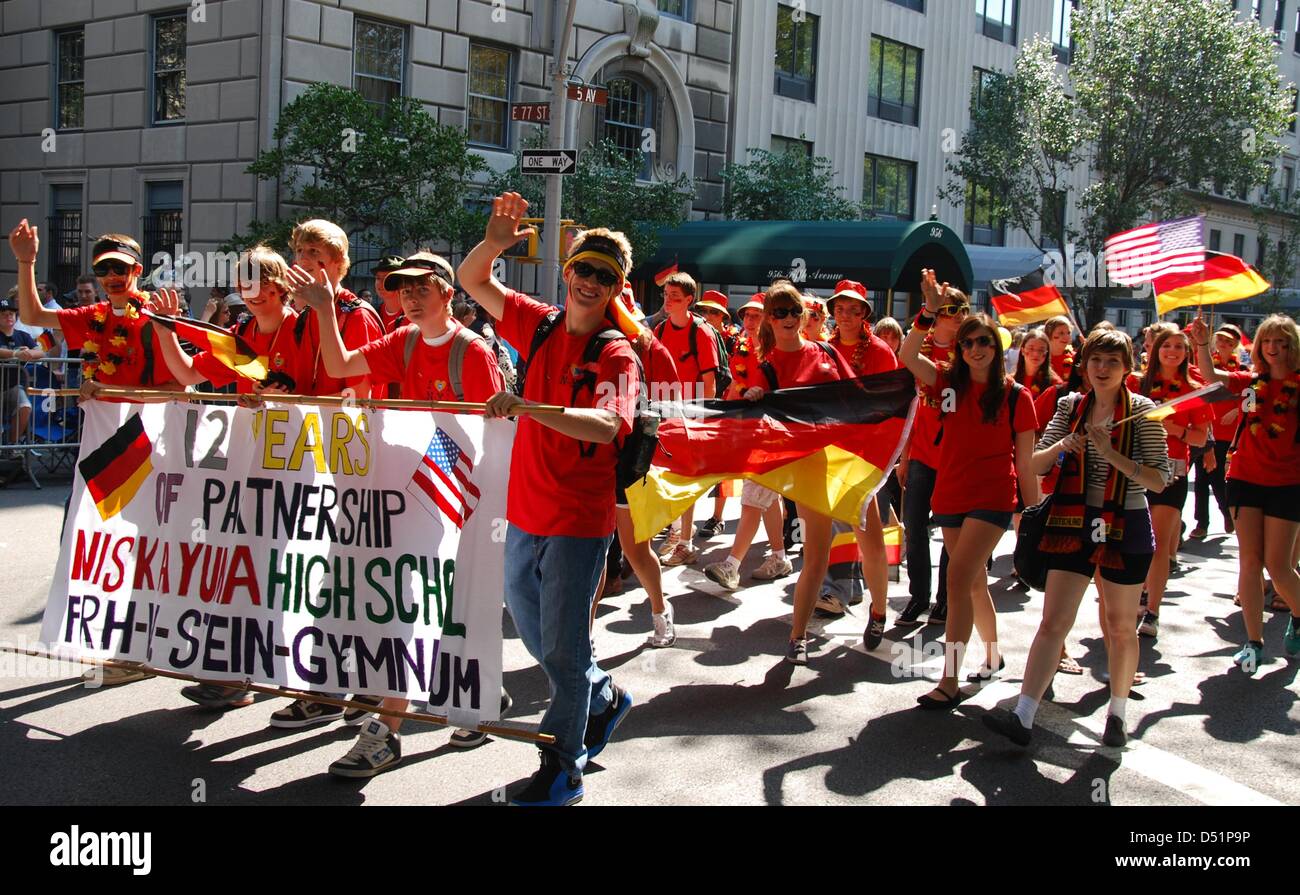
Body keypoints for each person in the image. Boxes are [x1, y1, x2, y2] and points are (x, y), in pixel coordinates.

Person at [459, 191, 638, 806]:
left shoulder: (617, 352)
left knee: (562, 649)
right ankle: (602, 694)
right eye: (584, 269)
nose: (590, 282)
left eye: (604, 277)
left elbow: (607, 426)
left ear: (616, 288)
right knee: (541, 636)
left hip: (580, 520)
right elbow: (471, 278)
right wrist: (496, 242)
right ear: (568, 271)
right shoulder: (536, 323)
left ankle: (564, 766)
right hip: (526, 509)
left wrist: (531, 407)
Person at [8, 224, 182, 686]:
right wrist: (27, 261)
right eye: (103, 269)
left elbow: (179, 387)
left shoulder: (155, 319)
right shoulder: (92, 314)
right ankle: (122, 644)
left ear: (138, 272)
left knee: (141, 546)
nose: (111, 276)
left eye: (119, 269)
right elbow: (34, 314)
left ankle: (136, 650)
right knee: (91, 541)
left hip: (145, 447)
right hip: (101, 447)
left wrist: (115, 391)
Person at [983, 328, 1171, 748]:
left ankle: (1118, 714)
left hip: (1127, 527)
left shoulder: (1143, 412)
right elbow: (1033, 464)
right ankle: (1024, 715)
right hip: (1071, 524)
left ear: (1127, 368)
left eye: (1112, 362)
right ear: (1083, 365)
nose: (1102, 370)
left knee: (1121, 626)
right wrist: (1067, 443)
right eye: (1095, 361)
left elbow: (1159, 481)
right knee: (1053, 622)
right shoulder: (1069, 407)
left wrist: (1112, 455)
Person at [899, 271, 1040, 706]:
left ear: (998, 348)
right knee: (974, 582)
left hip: (993, 496)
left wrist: (1033, 516)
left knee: (957, 577)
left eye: (984, 342)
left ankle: (949, 680)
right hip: (950, 494)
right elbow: (907, 354)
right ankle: (994, 657)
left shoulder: (1018, 396)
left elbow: (1026, 463)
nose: (976, 348)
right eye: (968, 342)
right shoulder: (945, 383)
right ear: (960, 349)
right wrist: (926, 312)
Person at [736, 281, 859, 665]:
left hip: (828, 460)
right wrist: (754, 395)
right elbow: (754, 391)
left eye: (793, 311)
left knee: (819, 557)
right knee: (807, 546)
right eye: (779, 312)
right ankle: (799, 634)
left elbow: (851, 394)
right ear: (769, 322)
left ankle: (799, 633)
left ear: (804, 316)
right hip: (790, 466)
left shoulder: (825, 351)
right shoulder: (768, 365)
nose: (788, 318)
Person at [1191, 313, 1300, 673]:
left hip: (1288, 483)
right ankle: (1253, 642)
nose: (1273, 349)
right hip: (1244, 477)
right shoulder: (1251, 383)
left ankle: (1298, 617)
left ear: (1292, 346)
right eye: (1267, 341)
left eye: (1281, 342)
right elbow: (1212, 378)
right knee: (1250, 562)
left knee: (1280, 567)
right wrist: (1203, 345)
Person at [814, 280, 899, 651]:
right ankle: (825, 596)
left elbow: (890, 404)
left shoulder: (880, 351)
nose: (845, 314)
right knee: (819, 532)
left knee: (868, 532)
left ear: (865, 313)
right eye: (840, 307)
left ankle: (879, 612)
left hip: (864, 455)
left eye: (854, 308)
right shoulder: (825, 348)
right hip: (827, 453)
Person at [897, 287, 970, 626]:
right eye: (949, 308)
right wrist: (905, 456)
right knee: (913, 528)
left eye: (962, 308)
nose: (957, 314)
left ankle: (945, 600)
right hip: (922, 455)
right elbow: (910, 409)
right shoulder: (921, 349)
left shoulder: (971, 352)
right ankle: (918, 597)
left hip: (956, 458)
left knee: (951, 531)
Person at [1131, 327, 1209, 641]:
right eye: (1166, 345)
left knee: (1160, 544)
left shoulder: (1194, 390)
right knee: (1135, 541)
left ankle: (1153, 610)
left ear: (1186, 352)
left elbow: (1201, 437)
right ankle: (1135, 595)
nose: (1172, 351)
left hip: (1171, 473)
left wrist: (1172, 427)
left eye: (1179, 346)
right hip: (1135, 470)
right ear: (1155, 350)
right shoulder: (1136, 384)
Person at [652, 272, 719, 567]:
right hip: (668, 412)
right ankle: (678, 532)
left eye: (675, 297)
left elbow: (710, 383)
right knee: (669, 476)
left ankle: (686, 543)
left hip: (691, 416)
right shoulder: (662, 330)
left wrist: (698, 421)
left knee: (687, 479)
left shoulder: (701, 332)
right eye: (666, 295)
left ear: (689, 300)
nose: (668, 301)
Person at [286, 219, 384, 399]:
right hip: (310, 425)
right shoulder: (307, 313)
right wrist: (272, 396)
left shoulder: (358, 315)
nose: (302, 258)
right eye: (299, 250)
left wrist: (304, 405)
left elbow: (359, 396)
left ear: (338, 260)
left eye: (313, 251)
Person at [1191, 326, 1243, 540]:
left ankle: (1225, 513)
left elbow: (1250, 400)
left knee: (1216, 476)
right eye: (1220, 339)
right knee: (1202, 477)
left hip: (1227, 433)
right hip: (1206, 428)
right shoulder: (1205, 365)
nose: (1223, 344)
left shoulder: (1240, 369)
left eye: (1228, 342)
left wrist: (1235, 410)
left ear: (1235, 346)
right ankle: (1203, 522)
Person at [693, 290, 735, 538]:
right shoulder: (694, 333)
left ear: (723, 318)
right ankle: (677, 521)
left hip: (725, 409)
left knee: (722, 466)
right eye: (704, 310)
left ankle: (717, 517)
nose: (707, 315)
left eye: (714, 312)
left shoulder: (733, 342)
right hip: (696, 405)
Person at [0, 295, 43, 446]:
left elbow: (41, 352)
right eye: (4, 314)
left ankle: (11, 446)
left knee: (25, 407)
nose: (8, 317)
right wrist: (15, 354)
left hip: (13, 386)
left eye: (11, 314)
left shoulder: (22, 335)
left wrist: (30, 353)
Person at [372, 254, 408, 333]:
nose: (380, 283)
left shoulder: (412, 316)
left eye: (386, 278)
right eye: (378, 278)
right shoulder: (373, 314)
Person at [1045, 316, 1076, 384]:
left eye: (1068, 333)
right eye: (1061, 333)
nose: (1066, 337)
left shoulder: (1076, 358)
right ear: (1048, 335)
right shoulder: (1041, 358)